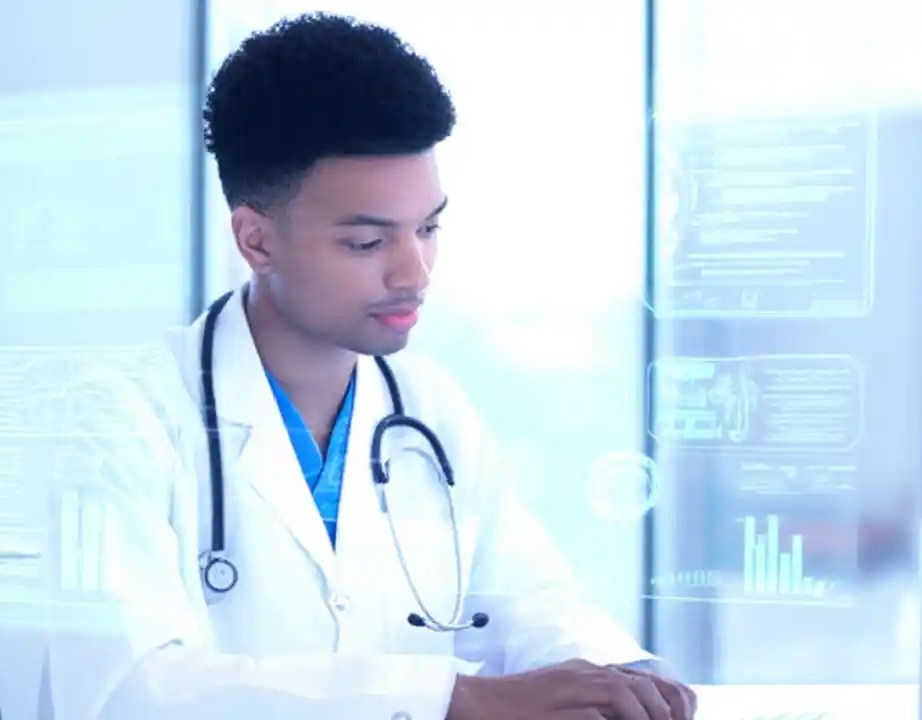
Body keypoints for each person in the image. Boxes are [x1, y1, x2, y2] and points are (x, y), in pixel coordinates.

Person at [51, 12, 698, 720]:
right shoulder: (122, 416)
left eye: (428, 228)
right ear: (256, 240)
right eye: (366, 242)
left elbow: (529, 604)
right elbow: (131, 691)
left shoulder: (429, 410)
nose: (413, 271)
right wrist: (448, 700)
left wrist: (626, 678)